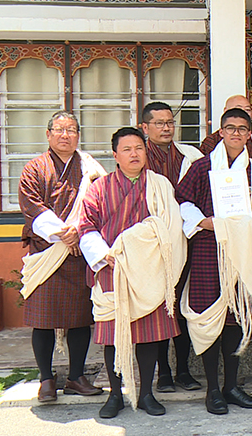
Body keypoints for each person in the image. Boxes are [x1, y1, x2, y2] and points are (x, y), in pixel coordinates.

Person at [78, 127, 187, 419]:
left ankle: (146, 393)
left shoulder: (160, 185)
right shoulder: (99, 188)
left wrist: (145, 252)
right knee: (115, 335)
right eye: (127, 149)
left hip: (150, 270)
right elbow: (86, 227)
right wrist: (106, 256)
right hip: (113, 269)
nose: (134, 154)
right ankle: (116, 394)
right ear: (115, 155)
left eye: (139, 148)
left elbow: (171, 225)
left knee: (150, 336)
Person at [176, 108, 252, 414]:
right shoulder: (202, 167)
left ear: (249, 135)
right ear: (220, 132)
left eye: (242, 129)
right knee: (211, 316)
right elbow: (181, 200)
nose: (236, 134)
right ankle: (212, 390)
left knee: (236, 318)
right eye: (230, 128)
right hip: (210, 248)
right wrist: (202, 222)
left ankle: (231, 386)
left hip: (244, 252)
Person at [18, 111, 106, 403]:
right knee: (42, 320)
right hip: (47, 251)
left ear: (78, 135)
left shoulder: (89, 167)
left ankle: (76, 376)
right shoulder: (35, 168)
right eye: (59, 130)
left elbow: (100, 200)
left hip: (79, 250)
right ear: (48, 134)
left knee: (80, 319)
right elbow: (32, 206)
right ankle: (46, 379)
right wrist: (62, 234)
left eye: (71, 130)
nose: (65, 135)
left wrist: (78, 233)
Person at [139, 101, 204, 394]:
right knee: (159, 307)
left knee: (181, 304)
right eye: (159, 123)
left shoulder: (189, 156)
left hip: (185, 241)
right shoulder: (139, 158)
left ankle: (183, 370)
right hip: (153, 244)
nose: (166, 128)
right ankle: (162, 372)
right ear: (145, 127)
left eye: (170, 123)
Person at [199, 95, 252, 164]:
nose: (243, 113)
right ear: (225, 111)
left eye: (247, 110)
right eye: (238, 109)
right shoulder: (211, 141)